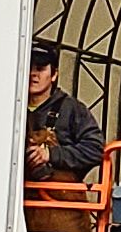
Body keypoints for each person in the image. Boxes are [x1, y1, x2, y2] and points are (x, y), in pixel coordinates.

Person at [24, 40, 105, 185]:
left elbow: (95, 149)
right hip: (15, 198)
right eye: (28, 68)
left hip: (59, 202)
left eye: (40, 68)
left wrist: (51, 155)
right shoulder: (8, 109)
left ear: (54, 75)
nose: (33, 74)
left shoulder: (72, 109)